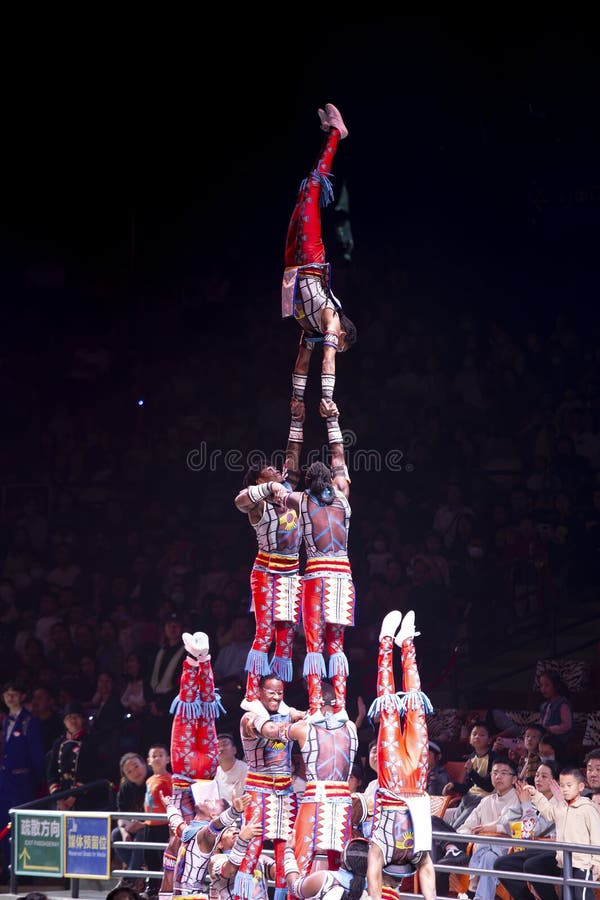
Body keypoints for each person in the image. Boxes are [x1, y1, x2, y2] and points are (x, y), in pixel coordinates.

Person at [268, 402, 355, 715]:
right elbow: (339, 456)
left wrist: (296, 424)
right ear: (331, 480)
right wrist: (332, 419)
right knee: (337, 645)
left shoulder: (302, 501)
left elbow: (282, 481)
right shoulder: (342, 494)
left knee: (315, 645)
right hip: (343, 576)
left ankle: (318, 705)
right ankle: (341, 705)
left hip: (317, 577)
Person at [281, 102, 357, 415]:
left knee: (305, 192)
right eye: (340, 345)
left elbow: (302, 362)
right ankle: (337, 133)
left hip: (291, 269)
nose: (334, 348)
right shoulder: (332, 320)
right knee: (312, 187)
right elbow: (327, 361)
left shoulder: (311, 332)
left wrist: (297, 400)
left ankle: (330, 135)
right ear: (341, 335)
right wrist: (327, 397)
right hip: (310, 261)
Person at [233, 403, 304, 707]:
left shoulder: (288, 489)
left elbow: (293, 451)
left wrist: (297, 419)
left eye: (277, 470)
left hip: (291, 573)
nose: (277, 470)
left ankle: (277, 697)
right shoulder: (257, 503)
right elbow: (239, 500)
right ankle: (251, 694)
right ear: (260, 480)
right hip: (266, 571)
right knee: (264, 632)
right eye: (270, 471)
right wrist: (268, 487)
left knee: (286, 636)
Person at [364, 610, 436, 900]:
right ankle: (406, 643)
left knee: (390, 711)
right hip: (416, 785)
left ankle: (384, 643)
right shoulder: (418, 853)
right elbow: (428, 872)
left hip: (394, 784)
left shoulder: (381, 848)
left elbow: (372, 874)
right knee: (416, 710)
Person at [160, 630, 223, 899]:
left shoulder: (185, 842)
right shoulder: (188, 842)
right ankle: (198, 659)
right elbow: (177, 831)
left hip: (192, 777)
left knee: (201, 711)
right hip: (198, 778)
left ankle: (201, 659)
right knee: (194, 710)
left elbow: (178, 833)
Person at [234, 675, 304, 900]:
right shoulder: (250, 717)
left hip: (286, 792)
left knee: (285, 851)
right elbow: (271, 731)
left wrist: (307, 716)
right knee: (252, 848)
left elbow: (299, 716)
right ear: (260, 692)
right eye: (271, 692)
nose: (275, 697)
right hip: (258, 792)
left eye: (280, 693)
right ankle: (242, 897)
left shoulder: (286, 713)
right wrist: (298, 727)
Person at [287, 680, 358, 875]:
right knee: (339, 864)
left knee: (302, 860)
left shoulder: (304, 728)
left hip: (316, 800)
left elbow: (275, 739)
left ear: (314, 701)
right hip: (343, 800)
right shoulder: (351, 726)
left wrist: (291, 714)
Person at [521, 766, 600, 900]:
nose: (565, 789)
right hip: (565, 863)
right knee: (566, 896)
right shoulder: (561, 807)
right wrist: (535, 795)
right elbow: (548, 811)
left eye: (569, 785)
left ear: (581, 787)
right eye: (562, 785)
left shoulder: (588, 808)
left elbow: (596, 836)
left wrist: (597, 862)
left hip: (583, 864)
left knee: (583, 896)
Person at [162, 786, 250, 896]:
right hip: (179, 896)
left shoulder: (206, 836)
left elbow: (216, 826)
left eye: (213, 802)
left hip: (192, 897)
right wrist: (169, 805)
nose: (207, 799)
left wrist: (234, 811)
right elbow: (177, 823)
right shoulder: (191, 831)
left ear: (214, 815)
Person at [493, 761, 561, 900]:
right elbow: (505, 822)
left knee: (532, 866)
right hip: (532, 848)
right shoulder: (530, 797)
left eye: (544, 776)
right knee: (501, 864)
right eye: (537, 775)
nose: (538, 779)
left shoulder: (557, 803)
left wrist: (526, 805)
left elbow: (533, 830)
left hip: (551, 850)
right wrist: (521, 803)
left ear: (555, 782)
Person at [0, 680, 45, 882]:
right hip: (4, 782)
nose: (10, 697)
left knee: (21, 827)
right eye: (6, 693)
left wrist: (35, 784)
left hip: (22, 781)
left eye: (14, 693)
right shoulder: (4, 720)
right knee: (4, 825)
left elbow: (37, 757)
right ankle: (7, 869)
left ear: (22, 696)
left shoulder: (29, 721)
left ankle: (23, 873)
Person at [47, 701, 105, 811]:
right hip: (60, 796)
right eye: (69, 717)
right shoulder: (58, 743)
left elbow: (90, 771)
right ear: (64, 721)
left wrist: (73, 797)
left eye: (76, 717)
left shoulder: (90, 741)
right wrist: (59, 799)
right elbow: (51, 772)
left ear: (82, 719)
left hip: (83, 796)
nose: (73, 720)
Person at [442, 720, 496, 827]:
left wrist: (471, 772)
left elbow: (489, 787)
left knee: (457, 827)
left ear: (489, 740)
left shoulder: (494, 758)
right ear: (470, 739)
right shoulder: (472, 757)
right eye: (474, 734)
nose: (477, 737)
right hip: (468, 797)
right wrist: (454, 785)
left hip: (483, 800)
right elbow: (468, 786)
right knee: (450, 824)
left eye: (482, 735)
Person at [283, 834, 369, 900]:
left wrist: (288, 851)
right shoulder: (372, 889)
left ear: (342, 857)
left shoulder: (324, 879)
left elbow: (294, 887)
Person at [111, 753, 151, 889]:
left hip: (153, 826)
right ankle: (137, 873)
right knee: (115, 835)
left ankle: (129, 879)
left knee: (141, 835)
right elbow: (121, 814)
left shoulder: (154, 780)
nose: (135, 772)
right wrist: (124, 831)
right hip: (133, 826)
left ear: (144, 764)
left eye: (136, 766)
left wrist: (143, 824)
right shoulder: (126, 787)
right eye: (129, 771)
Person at [208, 814, 271, 900]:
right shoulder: (216, 860)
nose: (236, 832)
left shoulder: (259, 859)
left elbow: (278, 873)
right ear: (220, 844)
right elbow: (229, 870)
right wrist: (242, 840)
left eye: (238, 830)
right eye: (229, 831)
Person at [141, 744, 172, 900]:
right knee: (149, 858)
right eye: (154, 756)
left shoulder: (170, 780)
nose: (157, 758)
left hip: (163, 826)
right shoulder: (149, 780)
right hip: (149, 825)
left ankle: (164, 890)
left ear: (168, 759)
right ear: (148, 761)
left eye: (161, 755)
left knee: (162, 858)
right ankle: (151, 888)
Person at [538, 669, 573, 746]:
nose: (543, 689)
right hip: (545, 739)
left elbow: (566, 726)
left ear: (556, 686)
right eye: (541, 685)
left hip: (558, 741)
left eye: (547, 685)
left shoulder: (562, 704)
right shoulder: (544, 706)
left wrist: (549, 729)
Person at [215, 733, 247, 805]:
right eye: (217, 746)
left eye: (225, 745)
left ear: (234, 750)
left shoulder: (246, 770)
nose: (221, 749)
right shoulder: (215, 772)